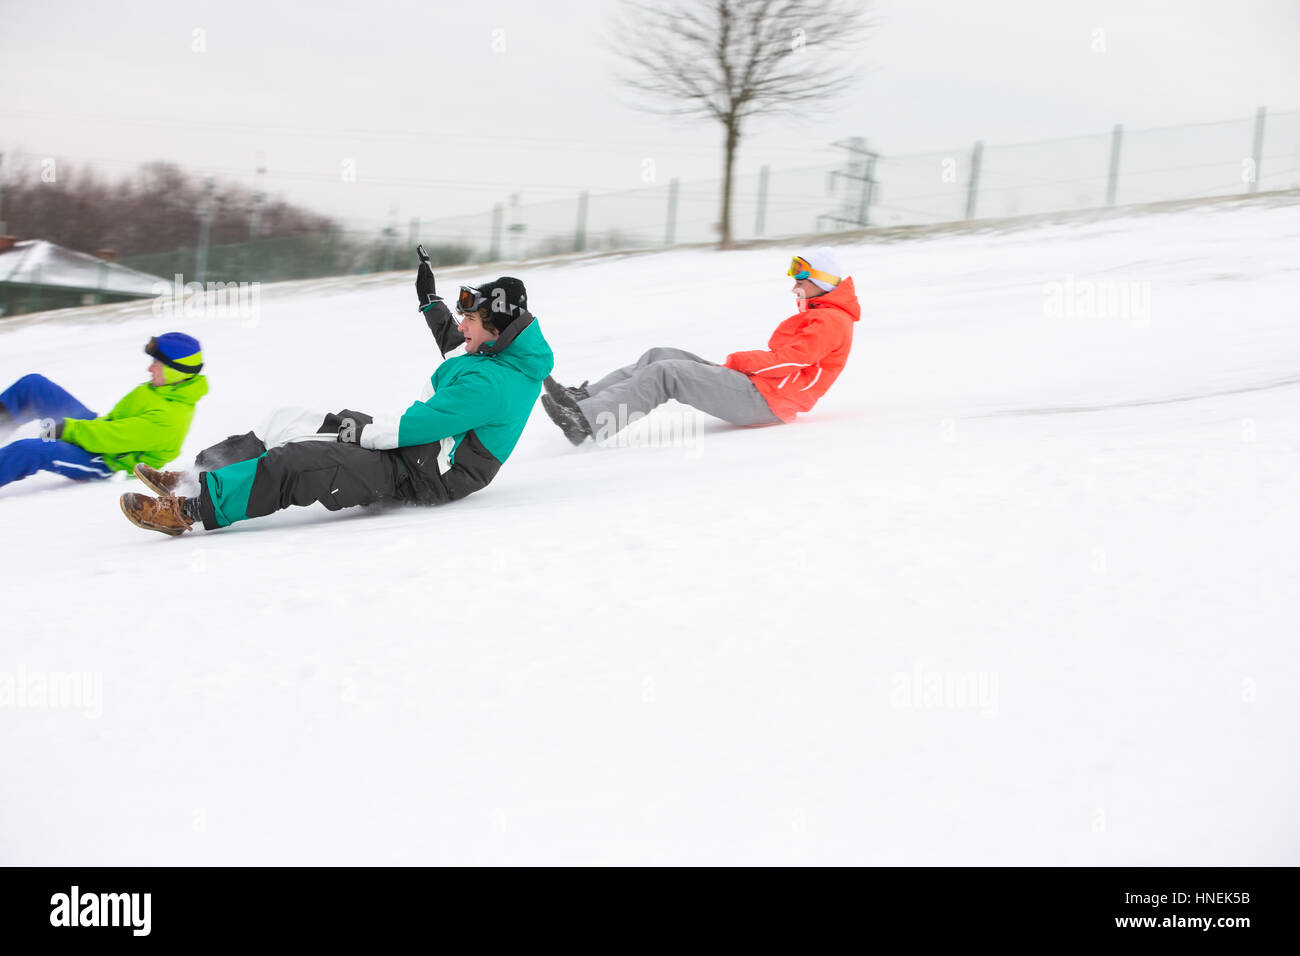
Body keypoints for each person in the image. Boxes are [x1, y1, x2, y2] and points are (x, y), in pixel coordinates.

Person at [118, 266, 555, 536]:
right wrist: (430, 302)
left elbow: (414, 428)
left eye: (470, 319)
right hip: (418, 451)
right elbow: (458, 347)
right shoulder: (499, 354)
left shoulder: (493, 386)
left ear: (496, 328)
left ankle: (189, 510)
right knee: (288, 420)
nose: (461, 326)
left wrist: (360, 432)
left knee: (299, 461)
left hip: (422, 474)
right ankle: (197, 476)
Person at [540, 247, 859, 445]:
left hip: (767, 402)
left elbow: (788, 362)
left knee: (667, 373)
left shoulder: (830, 321)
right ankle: (582, 397)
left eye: (800, 282)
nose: (794, 289)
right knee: (659, 355)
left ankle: (585, 421)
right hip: (761, 389)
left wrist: (738, 361)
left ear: (820, 282)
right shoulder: (823, 316)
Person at [0, 333, 208, 490]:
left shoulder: (170, 418)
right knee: (33, 385)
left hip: (105, 463)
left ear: (174, 370)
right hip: (100, 432)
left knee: (30, 449)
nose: (149, 369)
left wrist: (69, 430)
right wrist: (74, 429)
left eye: (156, 363)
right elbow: (111, 427)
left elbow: (111, 439)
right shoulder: (162, 388)